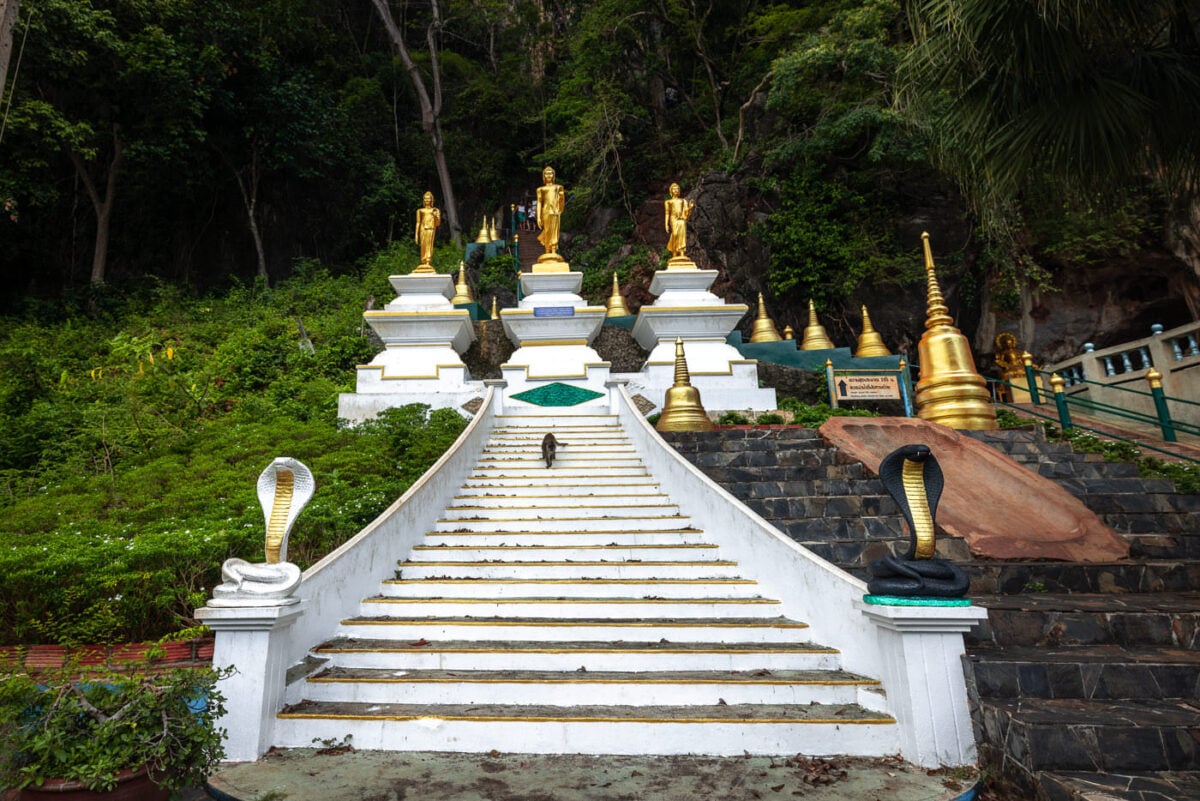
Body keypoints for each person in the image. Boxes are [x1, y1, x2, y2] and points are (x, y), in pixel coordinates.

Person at [536, 167, 565, 256]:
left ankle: (553, 250)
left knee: (554, 231)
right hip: (546, 212)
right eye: (546, 173)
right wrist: (538, 217)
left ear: (553, 175)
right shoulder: (541, 189)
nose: (549, 175)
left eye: (550, 173)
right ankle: (547, 250)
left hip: (555, 212)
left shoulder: (558, 187)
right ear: (543, 176)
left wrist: (561, 197)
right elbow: (539, 203)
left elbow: (561, 203)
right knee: (547, 231)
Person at [664, 182, 694, 260]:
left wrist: (690, 207)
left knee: (682, 234)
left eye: (677, 189)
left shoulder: (683, 201)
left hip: (681, 219)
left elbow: (685, 212)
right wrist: (666, 224)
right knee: (675, 234)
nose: (676, 190)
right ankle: (674, 252)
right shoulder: (668, 202)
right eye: (674, 189)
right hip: (673, 218)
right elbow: (667, 213)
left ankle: (681, 253)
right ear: (671, 191)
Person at [414, 191, 441, 270]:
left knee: (429, 245)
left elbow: (438, 223)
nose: (427, 200)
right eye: (425, 199)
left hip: (430, 228)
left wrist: (435, 216)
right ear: (423, 200)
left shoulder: (435, 210)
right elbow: (418, 222)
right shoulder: (420, 210)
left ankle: (428, 260)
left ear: (431, 200)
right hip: (423, 229)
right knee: (423, 245)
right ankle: (423, 260)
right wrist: (416, 234)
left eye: (428, 199)